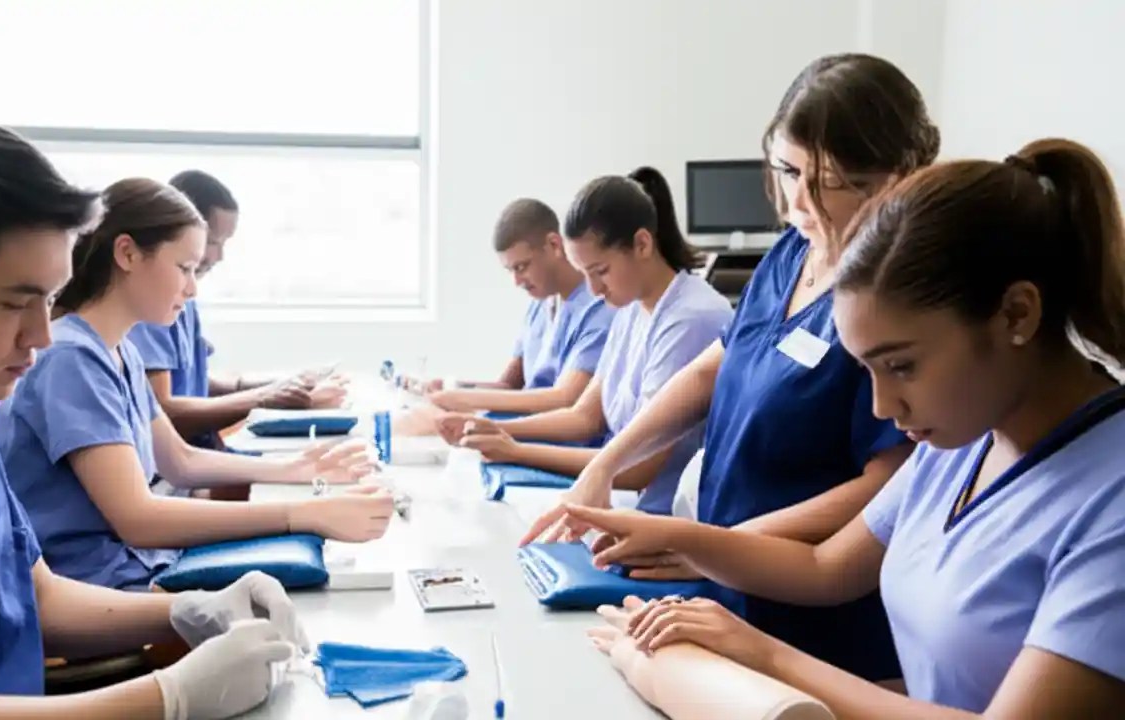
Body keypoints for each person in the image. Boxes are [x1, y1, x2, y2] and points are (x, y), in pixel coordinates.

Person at [574, 137, 1125, 718]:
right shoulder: (965, 437)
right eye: (868, 371)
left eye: (902, 367)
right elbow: (827, 567)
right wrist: (673, 537)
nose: (884, 407)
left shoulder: (1107, 495)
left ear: (1017, 314)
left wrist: (765, 656)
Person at [0, 116, 311, 719]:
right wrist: (168, 697)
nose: (41, 335)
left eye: (49, 298)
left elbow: (37, 597)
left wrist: (194, 605)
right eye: (16, 303)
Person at [521, 54, 938, 681]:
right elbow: (708, 374)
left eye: (824, 180)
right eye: (788, 170)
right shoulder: (790, 253)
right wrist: (605, 468)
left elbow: (888, 485)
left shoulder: (899, 295)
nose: (797, 199)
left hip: (815, 620)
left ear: (890, 177)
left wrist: (714, 550)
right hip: (727, 582)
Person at [0, 177, 394, 591]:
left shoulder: (118, 351)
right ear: (127, 253)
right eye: (183, 268)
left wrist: (292, 469)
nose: (192, 286)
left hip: (133, 565)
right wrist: (303, 514)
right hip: (95, 584)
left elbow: (179, 460)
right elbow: (139, 521)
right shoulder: (71, 360)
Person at [438, 167, 732, 514]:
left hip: (666, 520)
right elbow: (584, 417)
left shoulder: (691, 318)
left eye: (601, 271)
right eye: (586, 273)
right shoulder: (629, 310)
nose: (593, 289)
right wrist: (498, 430)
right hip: (628, 504)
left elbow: (641, 467)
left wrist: (514, 449)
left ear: (642, 244)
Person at [125, 170, 344, 450]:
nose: (218, 257)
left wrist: (286, 384)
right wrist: (265, 398)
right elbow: (163, 411)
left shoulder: (184, 299)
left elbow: (194, 382)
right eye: (213, 242)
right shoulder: (152, 305)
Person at [417, 198, 615, 416]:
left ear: (554, 245)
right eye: (510, 270)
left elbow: (565, 398)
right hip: (522, 427)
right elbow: (509, 386)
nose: (517, 281)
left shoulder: (599, 309)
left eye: (522, 267)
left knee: (425, 422)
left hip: (557, 436)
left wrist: (464, 399)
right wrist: (449, 387)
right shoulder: (540, 306)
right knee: (424, 415)